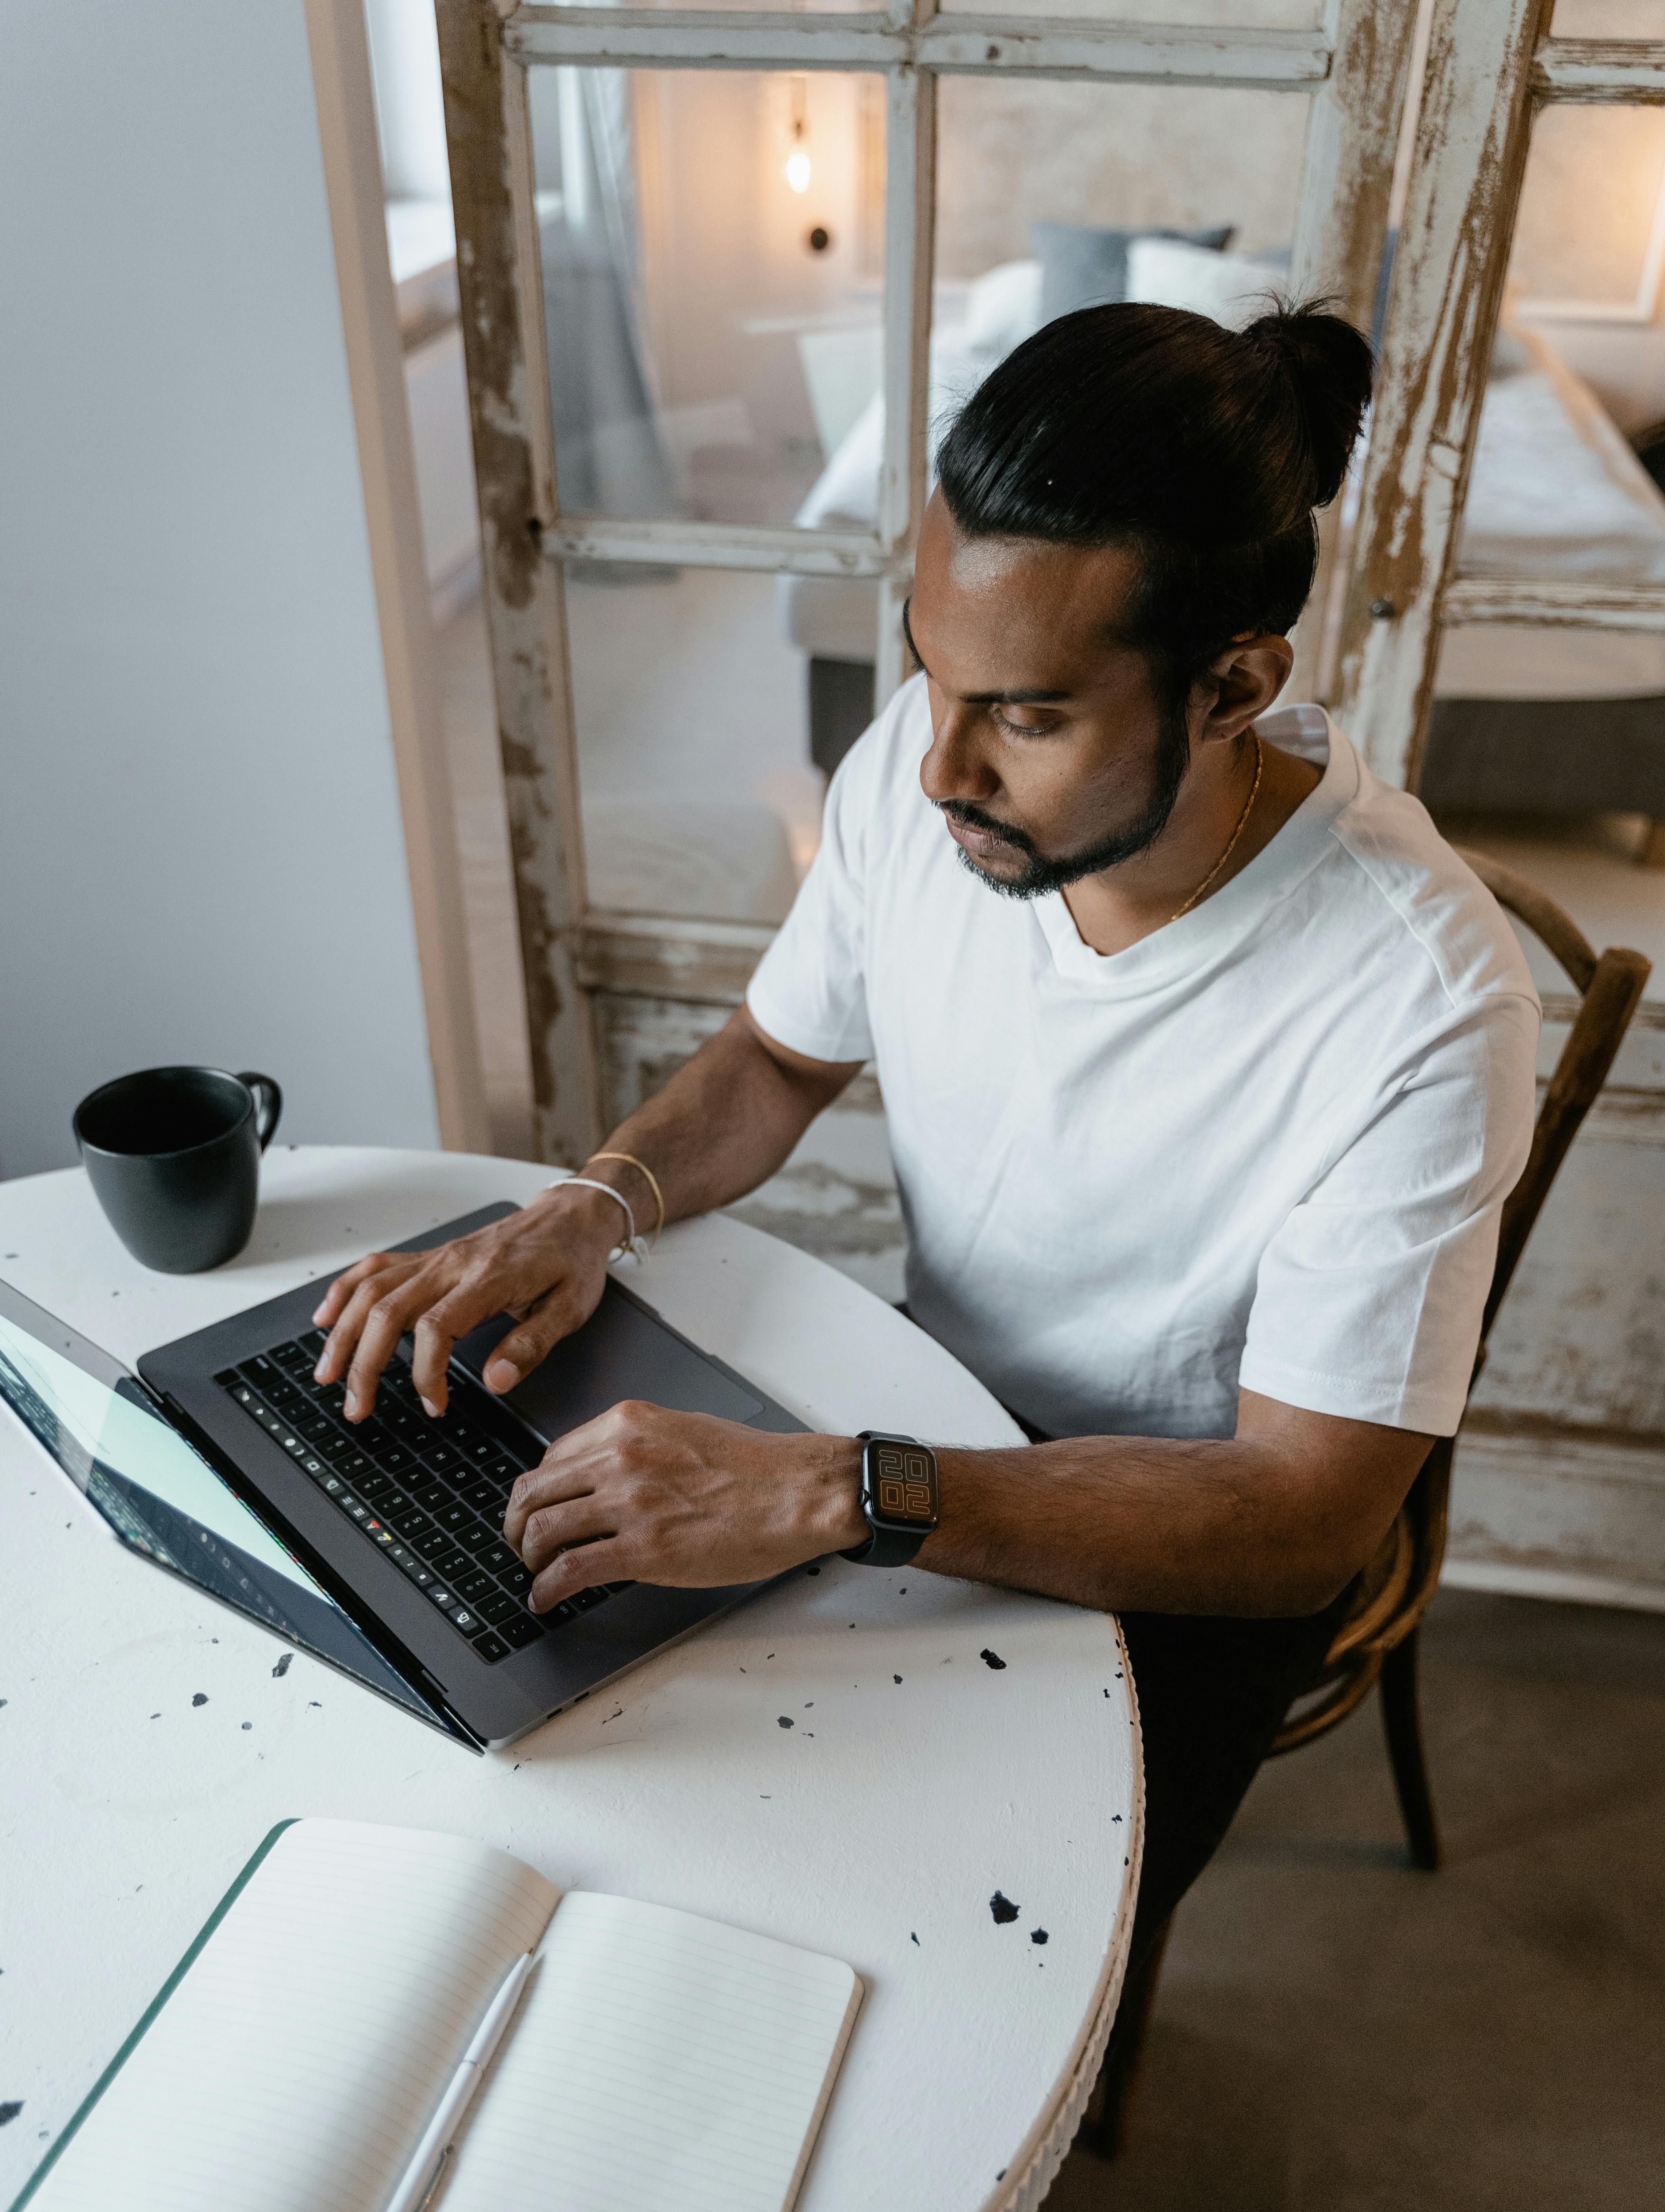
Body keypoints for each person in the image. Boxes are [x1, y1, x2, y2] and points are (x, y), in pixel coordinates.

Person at [313, 299, 1539, 1968]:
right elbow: (775, 1058)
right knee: (595, 1779)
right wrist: (589, 1206)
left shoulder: (1424, 1001)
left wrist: (837, 1489)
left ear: (1234, 686)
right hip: (920, 1408)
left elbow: (1303, 1515)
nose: (937, 766)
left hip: (1182, 1536)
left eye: (1025, 718)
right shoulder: (928, 766)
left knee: (958, 1960)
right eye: (930, 673)